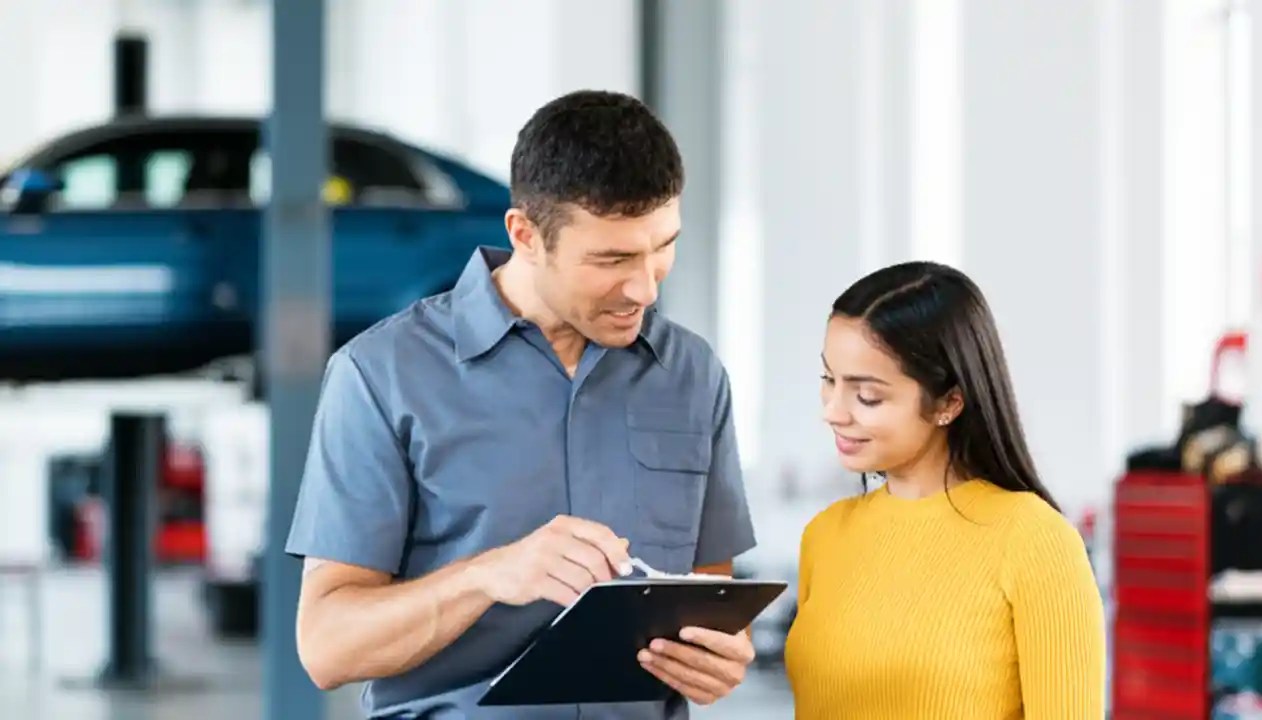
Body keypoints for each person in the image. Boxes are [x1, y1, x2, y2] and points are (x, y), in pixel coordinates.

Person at [283, 90, 758, 719]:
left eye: (661, 247)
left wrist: (718, 656)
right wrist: (489, 576)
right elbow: (327, 648)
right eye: (612, 260)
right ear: (526, 234)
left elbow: (706, 600)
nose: (644, 286)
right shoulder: (379, 376)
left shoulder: (692, 375)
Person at [784, 262, 1106, 718]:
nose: (833, 412)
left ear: (949, 402)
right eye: (828, 380)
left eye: (867, 396)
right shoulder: (824, 535)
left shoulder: (1035, 541)